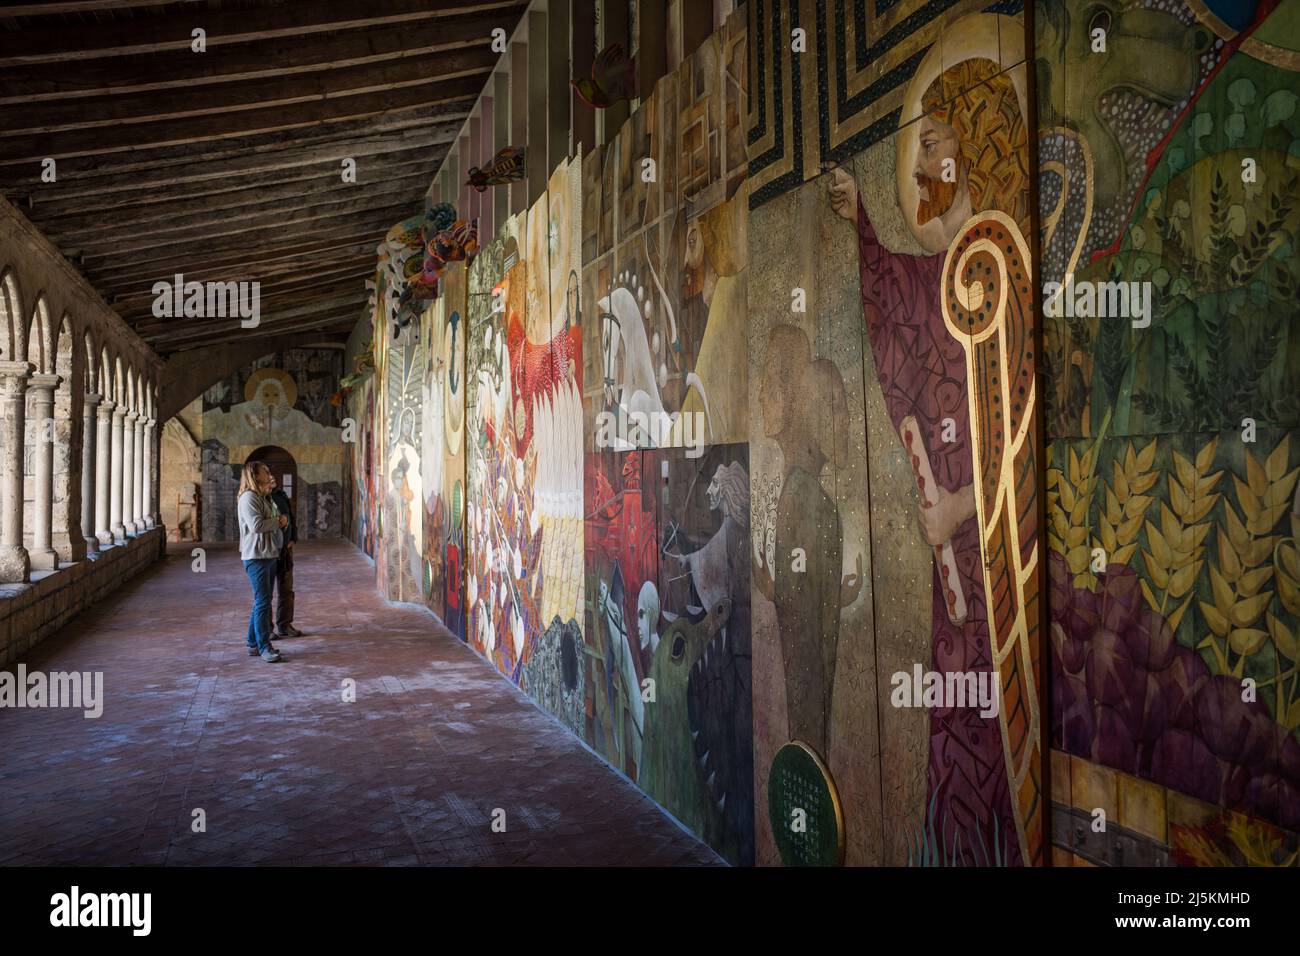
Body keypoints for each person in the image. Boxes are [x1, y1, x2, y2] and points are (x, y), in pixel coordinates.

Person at [238, 461, 288, 662]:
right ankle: (264, 647)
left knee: (262, 601)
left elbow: (274, 516)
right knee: (262, 602)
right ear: (254, 475)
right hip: (256, 556)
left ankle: (253, 644)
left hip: (268, 554)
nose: (269, 473)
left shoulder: (263, 497)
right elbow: (256, 525)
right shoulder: (248, 498)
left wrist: (270, 491)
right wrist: (279, 521)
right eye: (264, 471)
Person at [268, 475, 303, 639]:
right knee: (266, 593)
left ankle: (285, 624)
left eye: (271, 474)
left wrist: (293, 537)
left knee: (286, 589)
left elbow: (291, 517)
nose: (272, 477)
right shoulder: (259, 497)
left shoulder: (281, 495)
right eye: (267, 475)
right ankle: (267, 629)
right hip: (269, 550)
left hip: (285, 550)